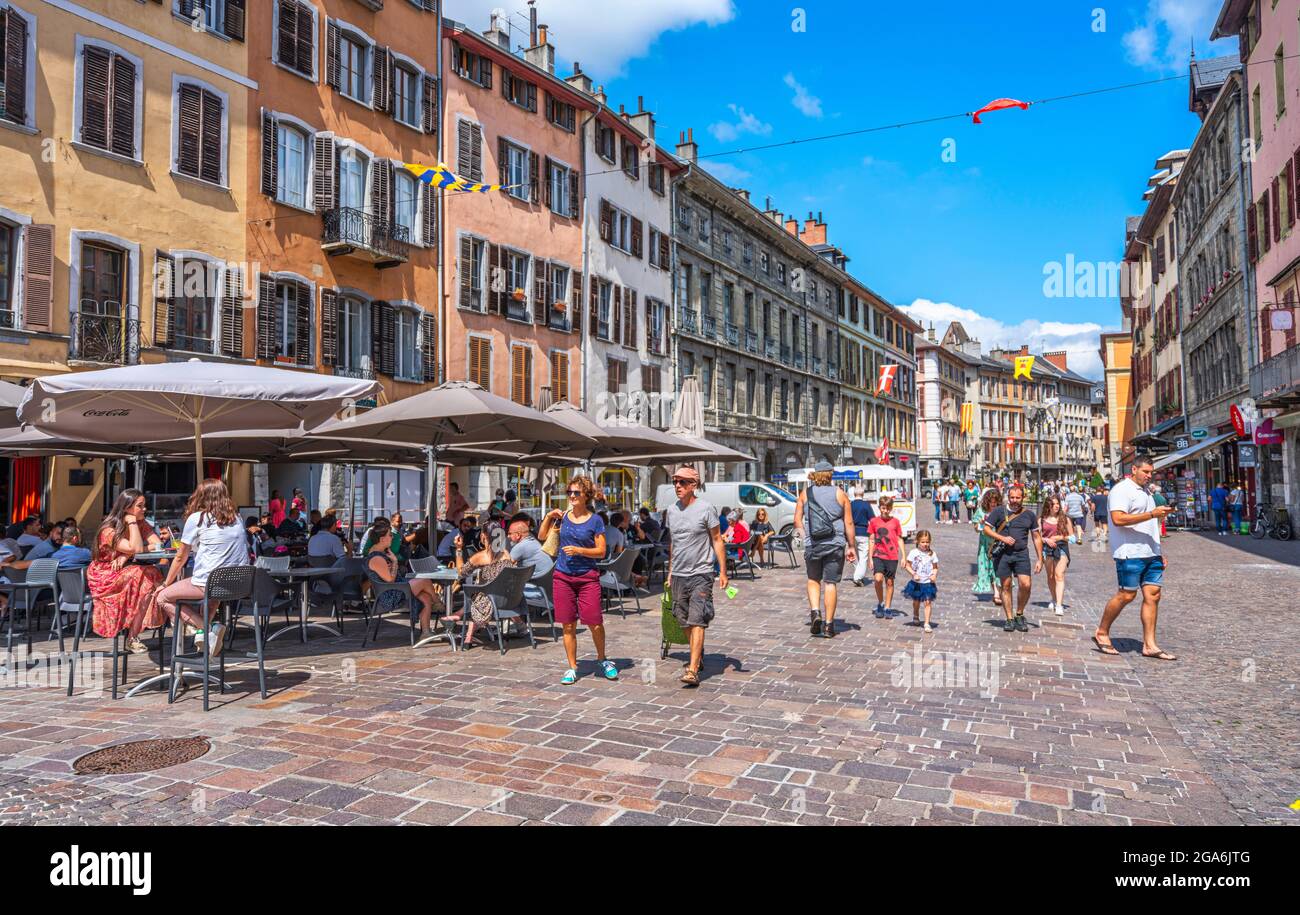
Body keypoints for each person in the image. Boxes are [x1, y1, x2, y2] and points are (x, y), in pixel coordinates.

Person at [1094, 454, 1176, 661]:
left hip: (1151, 553)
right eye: (1146, 472)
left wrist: (1158, 551)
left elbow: (1149, 526)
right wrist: (1152, 514)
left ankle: (1150, 644)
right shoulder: (1122, 490)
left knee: (1153, 595)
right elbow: (1118, 518)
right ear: (1134, 470)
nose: (1150, 475)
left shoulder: (1146, 491)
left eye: (1151, 472)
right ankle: (1102, 632)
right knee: (1126, 595)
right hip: (1129, 552)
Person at [156, 479, 250, 657]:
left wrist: (166, 583)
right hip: (238, 583)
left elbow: (180, 556)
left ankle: (208, 627)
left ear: (202, 496)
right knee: (212, 595)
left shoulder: (198, 518)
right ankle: (204, 638)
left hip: (210, 583)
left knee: (162, 597)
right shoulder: (237, 518)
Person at [539, 475, 617, 685]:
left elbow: (601, 552)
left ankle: (602, 659)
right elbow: (541, 536)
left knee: (595, 623)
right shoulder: (562, 517)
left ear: (586, 496)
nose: (572, 496)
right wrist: (548, 516)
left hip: (587, 578)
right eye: (569, 492)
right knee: (568, 625)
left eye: (576, 493)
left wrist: (579, 550)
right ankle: (572, 667)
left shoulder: (595, 520)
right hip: (562, 576)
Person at [665, 466, 728, 686]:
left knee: (697, 619)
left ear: (694, 485)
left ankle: (692, 670)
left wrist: (722, 571)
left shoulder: (706, 508)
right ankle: (697, 653)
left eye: (682, 483)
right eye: (675, 482)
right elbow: (674, 542)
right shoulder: (671, 511)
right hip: (679, 574)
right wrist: (670, 571)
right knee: (683, 620)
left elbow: (717, 539)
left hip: (701, 572)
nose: (677, 486)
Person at [86, 490, 166, 655]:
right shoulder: (108, 531)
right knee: (145, 574)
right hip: (105, 574)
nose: (144, 509)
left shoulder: (141, 522)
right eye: (140, 506)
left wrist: (125, 555)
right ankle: (177, 617)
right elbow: (136, 548)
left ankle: (134, 636)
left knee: (150, 572)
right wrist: (132, 524)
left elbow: (157, 545)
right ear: (126, 508)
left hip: (124, 568)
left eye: (144, 505)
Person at [794, 462, 856, 638]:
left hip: (812, 543)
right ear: (830, 475)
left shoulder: (805, 494)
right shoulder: (841, 494)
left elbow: (797, 521)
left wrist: (801, 542)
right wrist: (851, 546)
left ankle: (815, 612)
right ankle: (829, 625)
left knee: (813, 579)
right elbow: (849, 523)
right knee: (830, 583)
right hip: (835, 543)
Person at [366, 523, 442, 645]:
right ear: (382, 539)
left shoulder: (381, 553)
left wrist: (391, 564)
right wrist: (395, 561)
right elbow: (390, 580)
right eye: (390, 535)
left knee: (425, 596)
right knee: (425, 581)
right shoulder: (376, 558)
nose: (392, 538)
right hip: (390, 594)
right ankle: (437, 602)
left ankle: (425, 632)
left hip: (396, 588)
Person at [982, 483, 1042, 633]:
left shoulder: (1029, 515)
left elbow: (1036, 537)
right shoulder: (998, 512)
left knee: (1025, 584)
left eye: (1018, 497)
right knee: (1006, 585)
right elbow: (986, 529)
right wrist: (1001, 538)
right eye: (1012, 497)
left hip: (1021, 554)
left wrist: (1040, 558)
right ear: (1008, 497)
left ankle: (1019, 613)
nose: (1014, 500)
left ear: (1023, 498)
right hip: (1003, 555)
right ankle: (1009, 618)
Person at [867, 496, 903, 618]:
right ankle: (880, 603)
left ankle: (887, 607)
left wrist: (903, 555)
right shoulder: (874, 522)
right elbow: (871, 540)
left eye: (888, 508)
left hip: (892, 556)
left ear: (891, 509)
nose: (885, 510)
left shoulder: (895, 522)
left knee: (889, 582)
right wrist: (870, 557)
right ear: (879, 508)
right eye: (883, 508)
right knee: (878, 579)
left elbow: (899, 538)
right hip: (878, 554)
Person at [1039, 494, 1073, 616]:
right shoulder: (1042, 519)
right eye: (1053, 504)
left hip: (1061, 548)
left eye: (1058, 503)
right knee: (1051, 576)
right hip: (1047, 549)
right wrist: (1046, 540)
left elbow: (1072, 537)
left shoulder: (1065, 519)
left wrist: (1061, 537)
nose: (1056, 506)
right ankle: (1054, 598)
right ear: (1048, 505)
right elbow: (1037, 537)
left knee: (1059, 575)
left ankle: (1059, 604)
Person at [902, 530, 939, 632]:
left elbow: (935, 567)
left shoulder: (932, 554)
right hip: (917, 583)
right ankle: (916, 614)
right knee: (916, 601)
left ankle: (927, 623)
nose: (925, 544)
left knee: (928, 602)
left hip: (928, 583)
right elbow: (907, 565)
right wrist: (914, 574)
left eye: (927, 542)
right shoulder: (914, 553)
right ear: (917, 541)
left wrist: (934, 575)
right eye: (923, 542)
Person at [971, 487, 1002, 606]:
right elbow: (976, 529)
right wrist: (982, 524)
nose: (993, 505)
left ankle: (997, 594)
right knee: (988, 568)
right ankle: (996, 593)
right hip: (985, 545)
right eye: (991, 502)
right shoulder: (980, 511)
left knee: (997, 568)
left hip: (998, 544)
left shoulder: (1001, 511)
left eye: (995, 502)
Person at [508, 515, 553, 583]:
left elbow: (504, 566)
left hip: (537, 582)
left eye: (510, 533)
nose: (508, 536)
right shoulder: (533, 541)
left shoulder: (520, 546)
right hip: (548, 580)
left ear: (518, 535)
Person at [849, 489, 875, 587]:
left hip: (852, 533)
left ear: (854, 494)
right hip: (863, 532)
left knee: (854, 556)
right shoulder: (866, 505)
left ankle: (858, 574)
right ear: (863, 494)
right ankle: (857, 577)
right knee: (863, 556)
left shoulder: (850, 505)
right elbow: (872, 519)